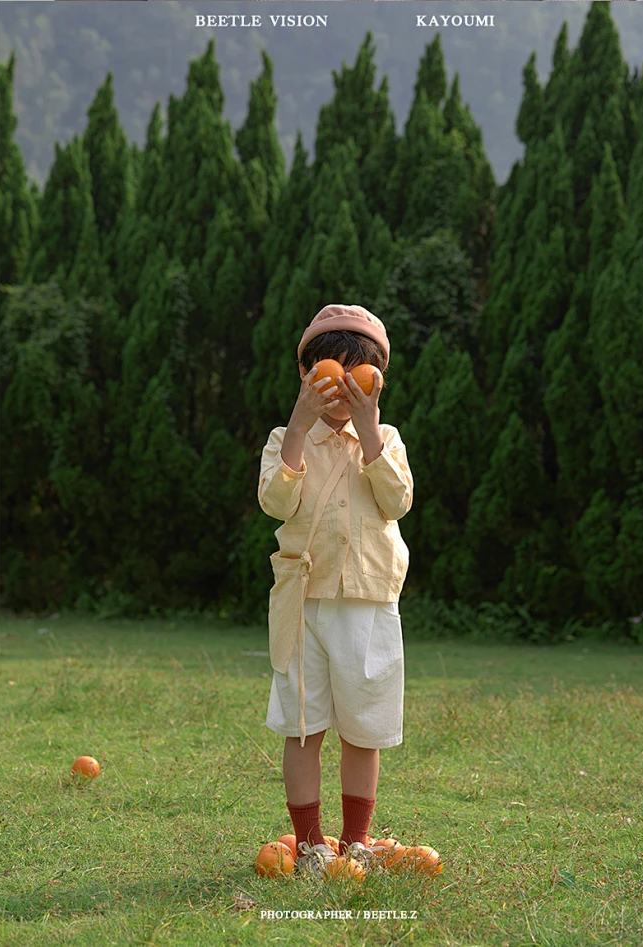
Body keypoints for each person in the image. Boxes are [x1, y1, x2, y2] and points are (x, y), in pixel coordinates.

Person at [257, 304, 413, 875]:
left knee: (363, 728)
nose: (342, 389)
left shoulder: (386, 438)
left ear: (376, 384)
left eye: (359, 377)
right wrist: (299, 427)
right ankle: (310, 843)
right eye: (328, 373)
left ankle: (356, 840)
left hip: (369, 601)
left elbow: (397, 501)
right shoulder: (284, 438)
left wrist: (370, 432)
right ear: (305, 376)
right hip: (303, 602)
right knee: (303, 725)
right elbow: (276, 501)